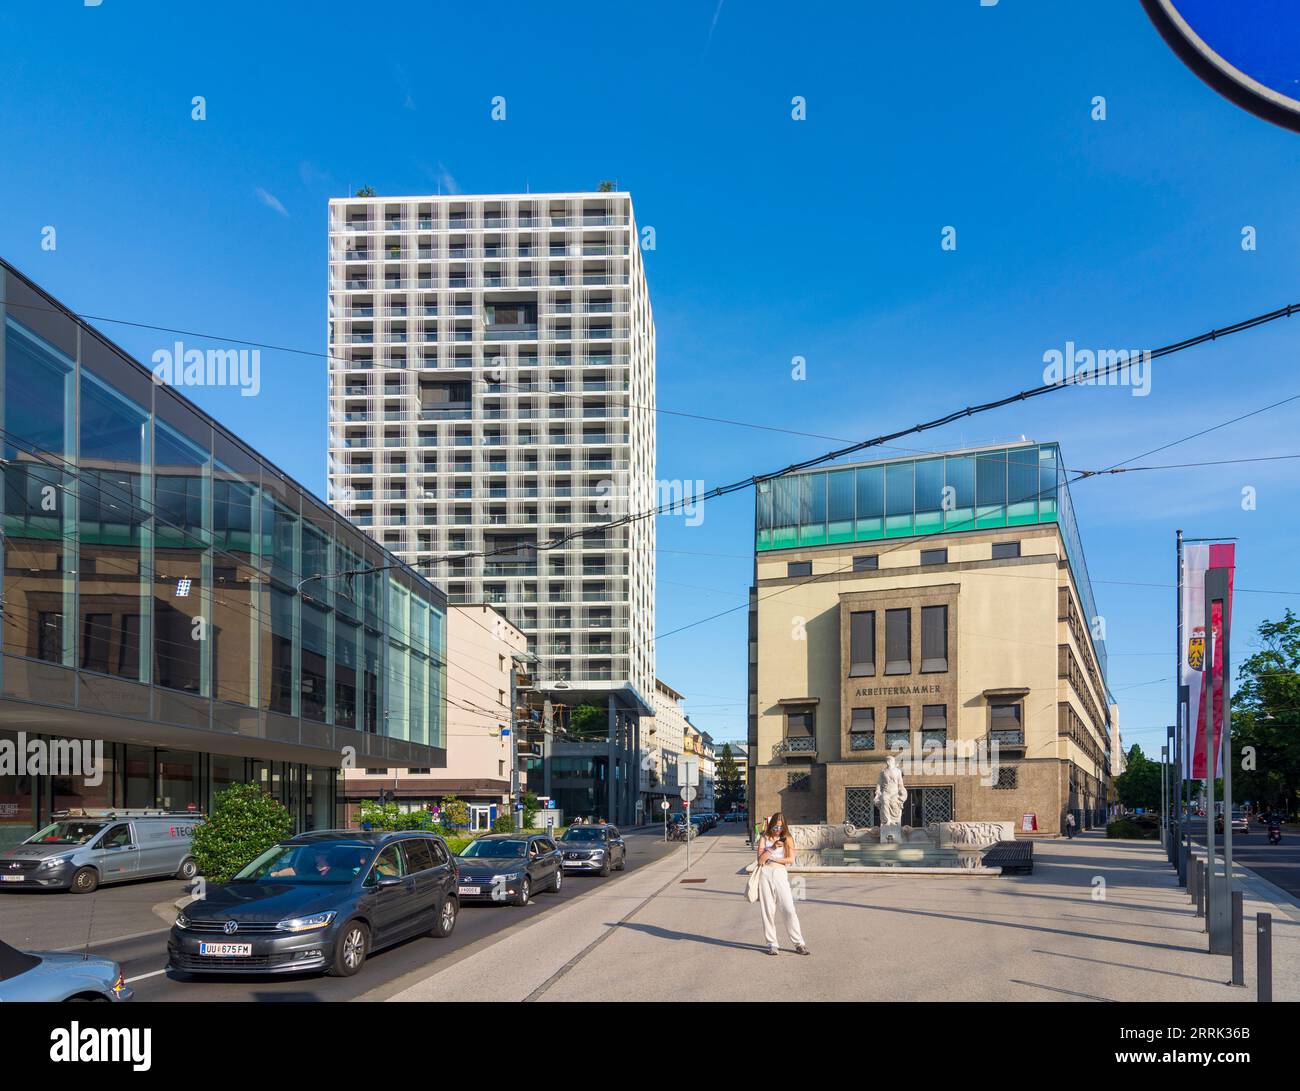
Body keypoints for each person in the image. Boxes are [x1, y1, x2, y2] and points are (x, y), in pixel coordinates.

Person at [755, 812, 809, 957]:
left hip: (779, 874)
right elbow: (760, 860)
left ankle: (799, 943)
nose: (778, 829)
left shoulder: (788, 839)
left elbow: (790, 859)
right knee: (768, 911)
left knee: (789, 909)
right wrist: (772, 848)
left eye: (780, 827)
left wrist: (774, 860)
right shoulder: (764, 838)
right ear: (771, 825)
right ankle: (772, 944)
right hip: (765, 875)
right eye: (775, 827)